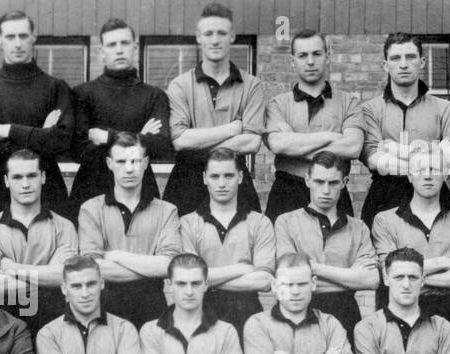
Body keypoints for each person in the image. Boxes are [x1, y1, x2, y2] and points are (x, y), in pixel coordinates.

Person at [0, 9, 74, 223]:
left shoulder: (56, 88)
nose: (17, 44)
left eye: (23, 36)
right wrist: (41, 135)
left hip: (46, 191)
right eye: (10, 36)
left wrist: (10, 131)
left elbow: (62, 142)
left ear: (33, 37)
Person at [164, 2, 266, 216]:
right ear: (199, 37)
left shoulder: (251, 85)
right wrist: (232, 128)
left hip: (233, 179)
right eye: (209, 33)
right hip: (187, 182)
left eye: (221, 33)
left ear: (232, 36)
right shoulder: (180, 85)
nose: (215, 39)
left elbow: (252, 142)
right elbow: (179, 140)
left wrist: (197, 142)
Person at [77, 132, 184, 328]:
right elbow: (91, 268)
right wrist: (150, 267)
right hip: (104, 310)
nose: (129, 169)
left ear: (145, 163)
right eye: (121, 161)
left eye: (135, 161)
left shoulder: (167, 210)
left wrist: (115, 256)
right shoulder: (90, 209)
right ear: (109, 163)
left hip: (152, 312)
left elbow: (168, 266)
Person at [359, 33, 450, 226]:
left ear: (422, 61)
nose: (403, 64)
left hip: (433, 194)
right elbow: (375, 160)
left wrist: (395, 151)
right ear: (385, 65)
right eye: (395, 58)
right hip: (385, 195)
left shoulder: (444, 108)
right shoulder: (371, 109)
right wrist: (435, 154)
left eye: (410, 57)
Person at [371, 155, 450, 336]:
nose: (427, 176)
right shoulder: (385, 220)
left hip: (449, 311)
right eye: (420, 170)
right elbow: (387, 272)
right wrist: (441, 263)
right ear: (409, 175)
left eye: (435, 169)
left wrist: (407, 277)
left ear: (445, 174)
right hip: (401, 312)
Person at [273, 151, 377, 340]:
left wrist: (313, 268)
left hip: (345, 315)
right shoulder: (285, 222)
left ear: (344, 182)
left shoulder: (358, 227)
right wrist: (350, 276)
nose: (326, 190)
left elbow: (370, 280)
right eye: (319, 182)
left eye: (333, 183)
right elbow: (290, 275)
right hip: (301, 313)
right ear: (307, 180)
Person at [0, 149, 78, 333]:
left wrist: (12, 268)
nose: (25, 184)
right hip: (3, 327)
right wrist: (49, 273)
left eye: (32, 176)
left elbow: (68, 279)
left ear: (43, 177)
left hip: (55, 323)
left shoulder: (64, 226)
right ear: (6, 181)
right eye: (17, 177)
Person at [263, 30, 363, 222]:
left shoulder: (349, 102)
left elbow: (353, 147)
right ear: (293, 61)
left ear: (328, 57)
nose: (310, 61)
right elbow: (278, 145)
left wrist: (295, 143)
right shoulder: (277, 104)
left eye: (317, 54)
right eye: (303, 55)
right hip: (288, 193)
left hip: (332, 190)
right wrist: (331, 136)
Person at [68, 18, 169, 207]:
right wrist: (140, 137)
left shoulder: (155, 95)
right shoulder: (82, 94)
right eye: (112, 44)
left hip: (141, 193)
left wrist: (108, 137)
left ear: (135, 47)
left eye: (125, 43)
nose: (119, 49)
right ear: (102, 52)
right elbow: (77, 149)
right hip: (91, 190)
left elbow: (162, 146)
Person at [179, 147, 274, 332]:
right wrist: (241, 269)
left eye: (228, 176)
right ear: (204, 178)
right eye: (215, 177)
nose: (222, 184)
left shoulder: (260, 223)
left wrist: (206, 280)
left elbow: (264, 281)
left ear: (240, 177)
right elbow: (189, 277)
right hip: (200, 317)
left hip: (248, 317)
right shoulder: (188, 223)